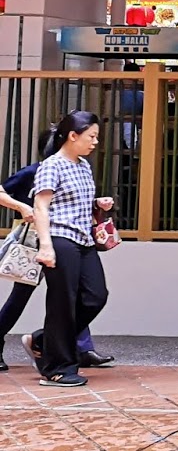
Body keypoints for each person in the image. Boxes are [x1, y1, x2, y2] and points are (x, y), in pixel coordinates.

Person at [0, 139, 110, 373]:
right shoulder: (35, 170)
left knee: (75, 295)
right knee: (20, 297)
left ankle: (79, 347)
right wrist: (21, 206)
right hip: (33, 242)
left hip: (65, 239)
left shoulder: (77, 168)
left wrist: (96, 203)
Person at [27, 112, 110, 388]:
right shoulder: (52, 165)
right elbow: (41, 206)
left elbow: (75, 201)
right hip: (60, 239)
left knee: (95, 296)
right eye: (91, 136)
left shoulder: (83, 165)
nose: (95, 142)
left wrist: (99, 202)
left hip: (84, 239)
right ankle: (57, 369)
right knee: (62, 302)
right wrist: (46, 246)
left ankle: (43, 341)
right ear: (73, 136)